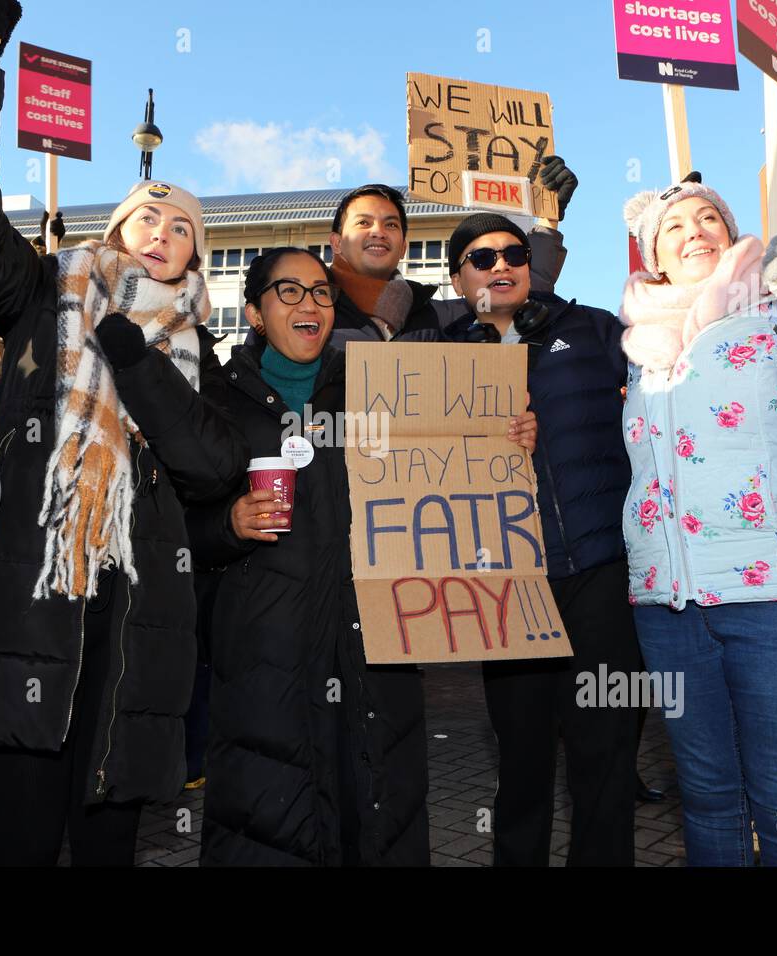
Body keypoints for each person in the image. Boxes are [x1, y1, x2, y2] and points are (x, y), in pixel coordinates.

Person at [0, 0, 247, 867]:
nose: (164, 235)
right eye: (149, 218)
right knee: (17, 845)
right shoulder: (44, 296)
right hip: (28, 619)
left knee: (106, 851)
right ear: (117, 228)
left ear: (198, 260)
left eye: (185, 229)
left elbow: (210, 465)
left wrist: (134, 358)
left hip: (136, 642)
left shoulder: (207, 356)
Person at [192, 247, 535, 865]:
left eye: (321, 292)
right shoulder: (216, 402)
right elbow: (180, 531)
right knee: (270, 824)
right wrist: (228, 522)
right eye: (288, 291)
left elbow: (456, 463)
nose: (310, 304)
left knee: (377, 817)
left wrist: (505, 437)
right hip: (266, 664)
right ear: (254, 312)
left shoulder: (380, 392)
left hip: (377, 653)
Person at [618, 173, 777, 866]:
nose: (694, 229)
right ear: (653, 255)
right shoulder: (638, 351)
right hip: (669, 610)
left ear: (731, 235)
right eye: (674, 225)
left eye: (709, 218)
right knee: (707, 802)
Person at [441, 214, 642, 866]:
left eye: (514, 253)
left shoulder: (591, 330)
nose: (501, 265)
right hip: (507, 584)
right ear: (457, 276)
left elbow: (667, 375)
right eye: (482, 257)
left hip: (600, 570)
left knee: (605, 751)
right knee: (522, 757)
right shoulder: (435, 355)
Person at [328, 161, 578, 346]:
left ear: (403, 247)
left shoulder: (440, 317)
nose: (378, 232)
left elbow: (519, 291)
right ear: (336, 242)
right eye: (363, 223)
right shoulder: (310, 308)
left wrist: (548, 217)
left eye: (391, 225)